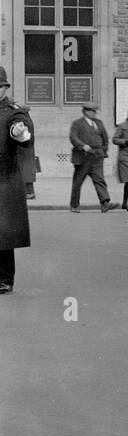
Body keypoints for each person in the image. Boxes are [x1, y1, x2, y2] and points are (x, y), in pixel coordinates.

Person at [0, 66, 35, 294]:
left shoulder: (13, 112)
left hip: (4, 177)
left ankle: (4, 279)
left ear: (4, 88)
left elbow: (22, 130)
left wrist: (20, 133)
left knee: (3, 233)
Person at [69, 104, 113, 213]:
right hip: (83, 157)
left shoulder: (99, 123)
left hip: (97, 156)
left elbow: (105, 138)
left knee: (99, 180)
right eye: (92, 111)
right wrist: (83, 146)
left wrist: (103, 150)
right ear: (86, 112)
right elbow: (73, 137)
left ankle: (105, 203)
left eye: (95, 111)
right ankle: (74, 205)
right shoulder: (77, 123)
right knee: (78, 182)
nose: (94, 113)